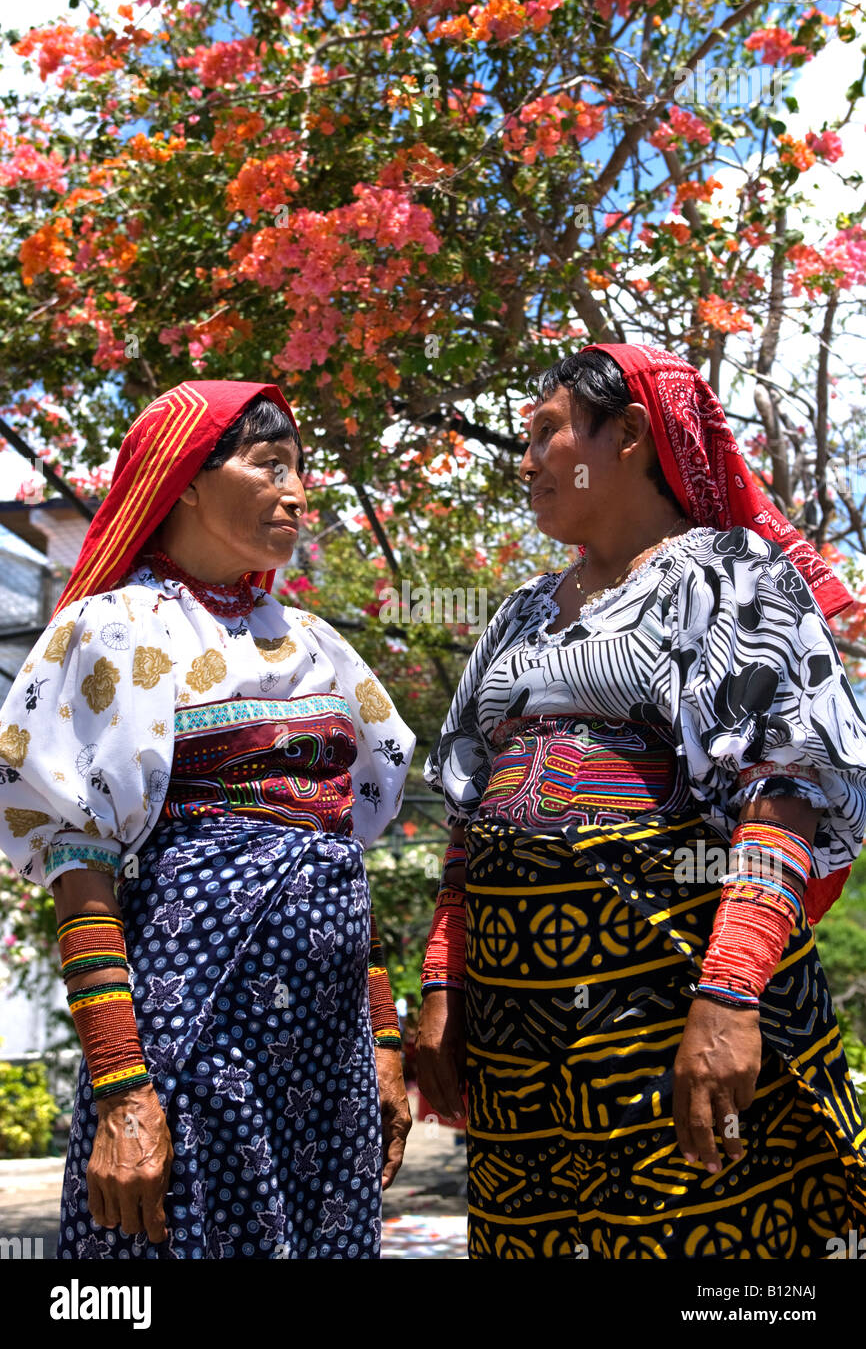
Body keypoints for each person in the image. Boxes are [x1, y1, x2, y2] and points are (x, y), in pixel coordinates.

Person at [416, 342, 866, 1260]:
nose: (525, 458)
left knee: (705, 1248)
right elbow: (467, 822)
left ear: (628, 434)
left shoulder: (731, 576)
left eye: (546, 434)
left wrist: (729, 998)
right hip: (516, 1031)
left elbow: (784, 789)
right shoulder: (519, 613)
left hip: (666, 1000)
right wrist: (441, 989)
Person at [0, 380, 415, 1259]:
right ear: (185, 477)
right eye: (268, 465)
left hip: (327, 1066)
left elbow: (337, 856)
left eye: (299, 468)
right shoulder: (109, 634)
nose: (296, 490)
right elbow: (82, 879)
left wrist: (382, 1041)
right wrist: (122, 1092)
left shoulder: (317, 646)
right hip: (187, 1057)